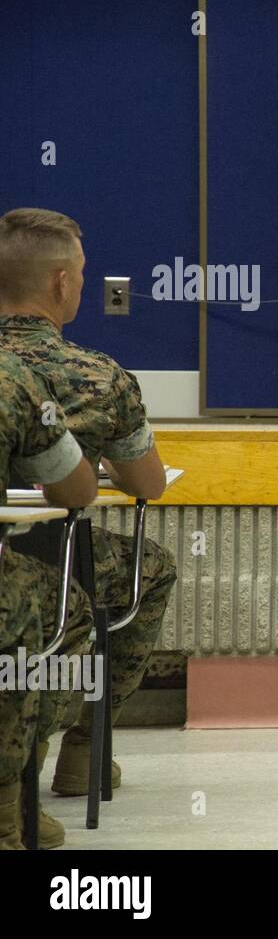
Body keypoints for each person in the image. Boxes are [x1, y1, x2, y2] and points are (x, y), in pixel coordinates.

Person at [0, 208, 175, 802]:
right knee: (149, 567)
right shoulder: (99, 377)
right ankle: (84, 745)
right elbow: (148, 483)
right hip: (62, 558)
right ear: (61, 283)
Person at [0, 350, 98, 848]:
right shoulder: (14, 379)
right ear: (62, 284)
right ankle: (12, 802)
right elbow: (77, 489)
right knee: (68, 610)